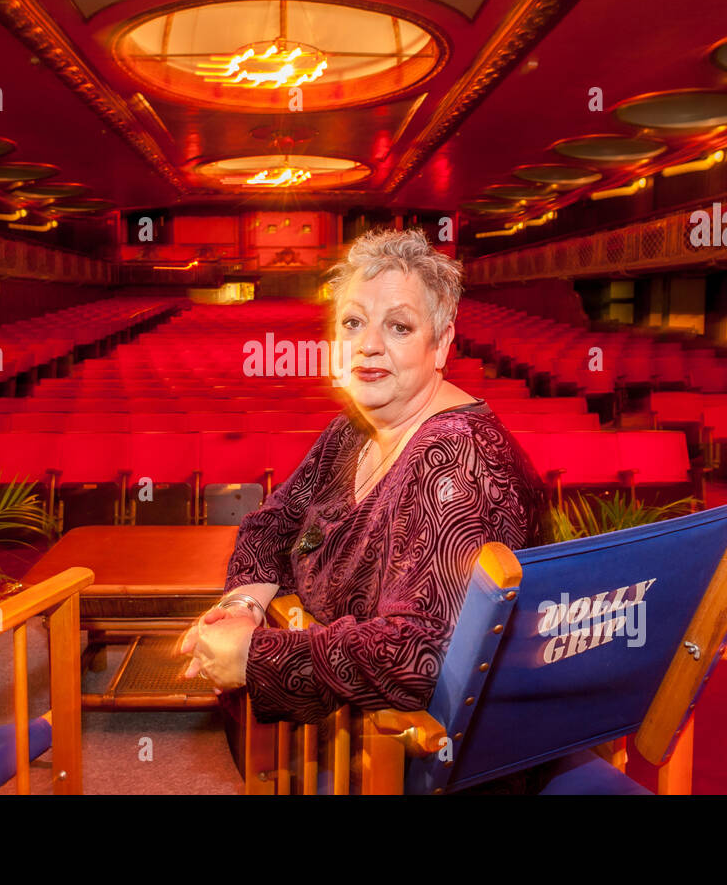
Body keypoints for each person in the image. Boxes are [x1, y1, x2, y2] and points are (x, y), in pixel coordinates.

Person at [179, 228, 547, 724]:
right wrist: (244, 606)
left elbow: (418, 656)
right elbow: (271, 525)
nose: (368, 345)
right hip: (354, 729)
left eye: (399, 327)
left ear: (440, 346)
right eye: (353, 322)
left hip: (430, 750)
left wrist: (254, 654)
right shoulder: (349, 430)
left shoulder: (455, 457)